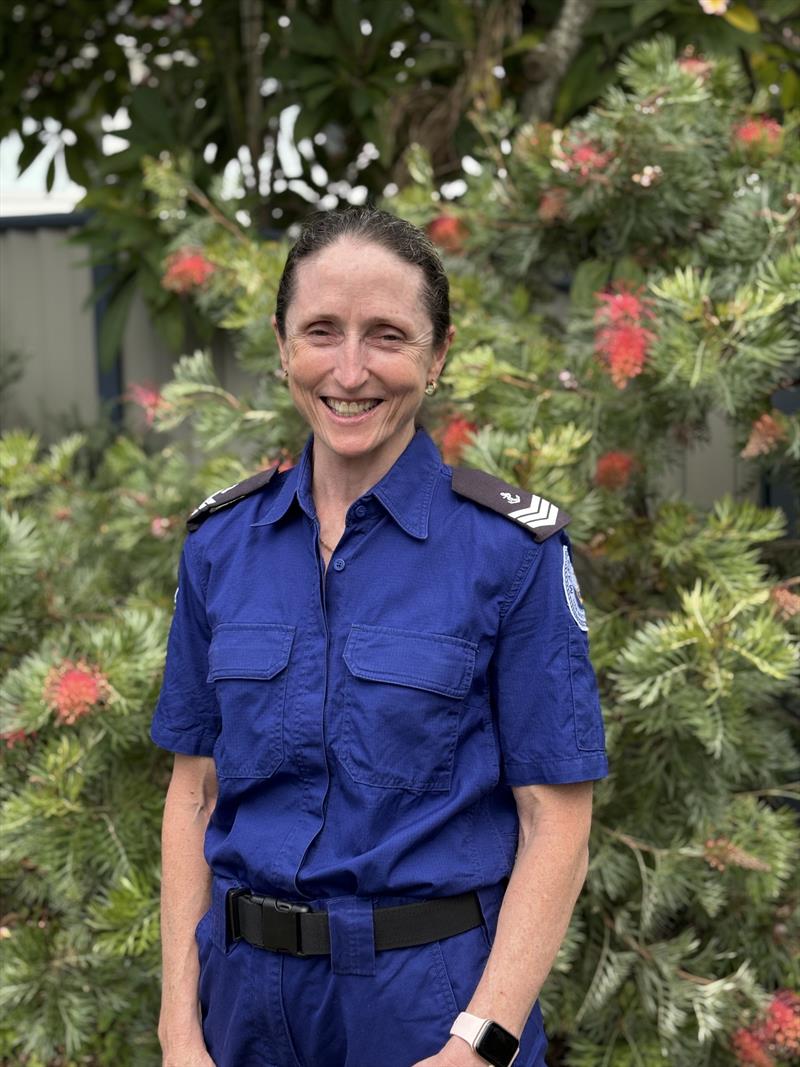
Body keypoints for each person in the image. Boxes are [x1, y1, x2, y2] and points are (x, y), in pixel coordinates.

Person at [151, 206, 609, 1067]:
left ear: (436, 358)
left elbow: (558, 824)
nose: (350, 369)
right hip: (242, 1010)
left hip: (428, 1011)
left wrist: (481, 1043)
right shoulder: (220, 546)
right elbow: (193, 796)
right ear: (284, 346)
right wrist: (180, 1027)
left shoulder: (509, 552)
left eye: (387, 335)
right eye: (322, 330)